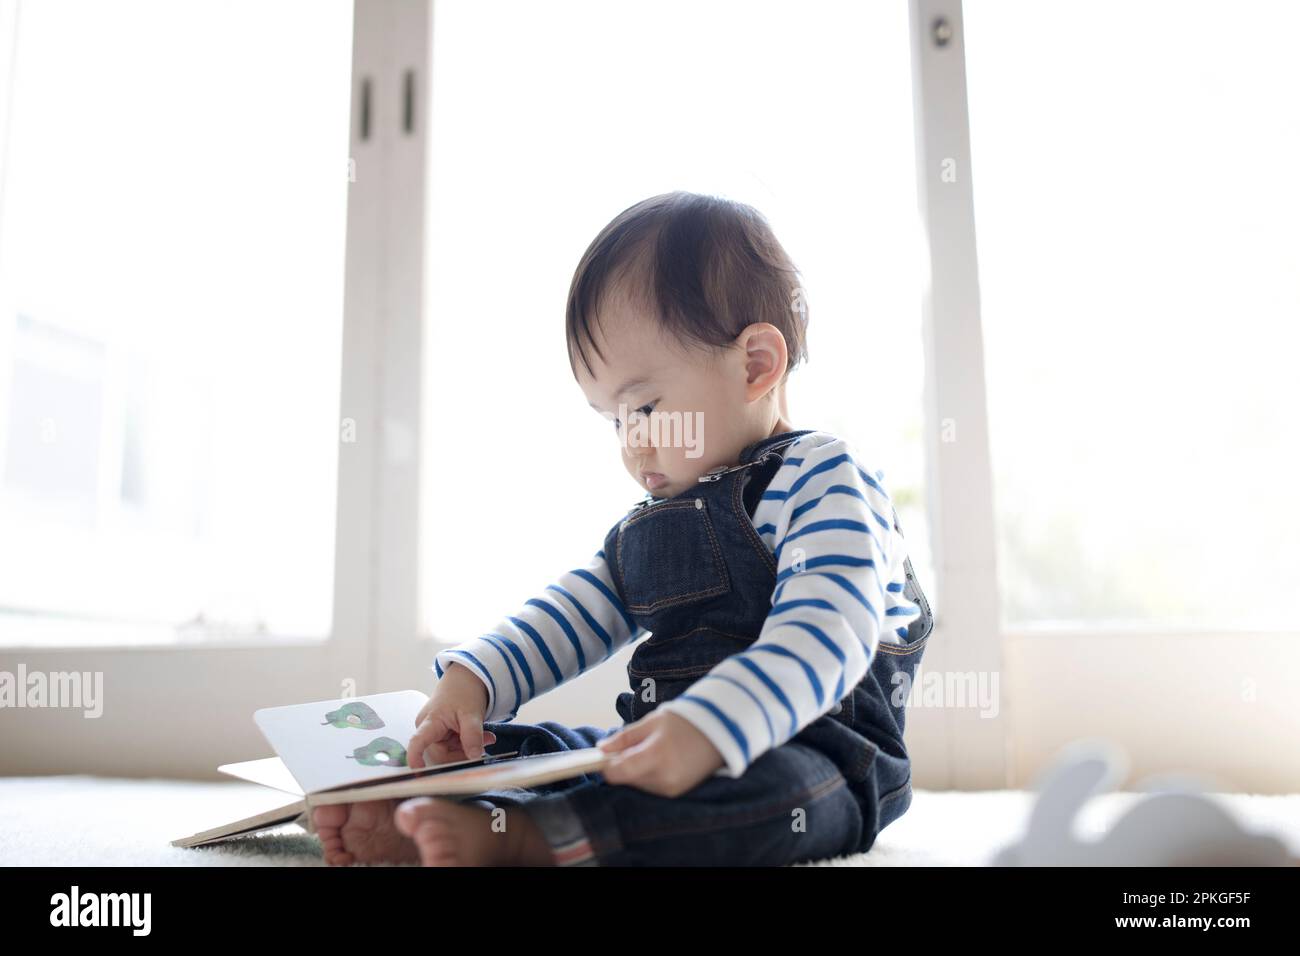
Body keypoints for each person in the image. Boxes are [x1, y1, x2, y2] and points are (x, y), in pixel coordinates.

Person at [311, 191, 934, 866]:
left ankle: (538, 840)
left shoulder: (824, 477)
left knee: (781, 797)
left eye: (644, 406)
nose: (631, 445)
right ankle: (436, 807)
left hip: (824, 752)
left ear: (755, 365)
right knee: (537, 751)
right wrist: (476, 680)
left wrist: (709, 725)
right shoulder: (657, 522)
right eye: (613, 419)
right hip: (662, 745)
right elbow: (574, 610)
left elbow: (827, 633)